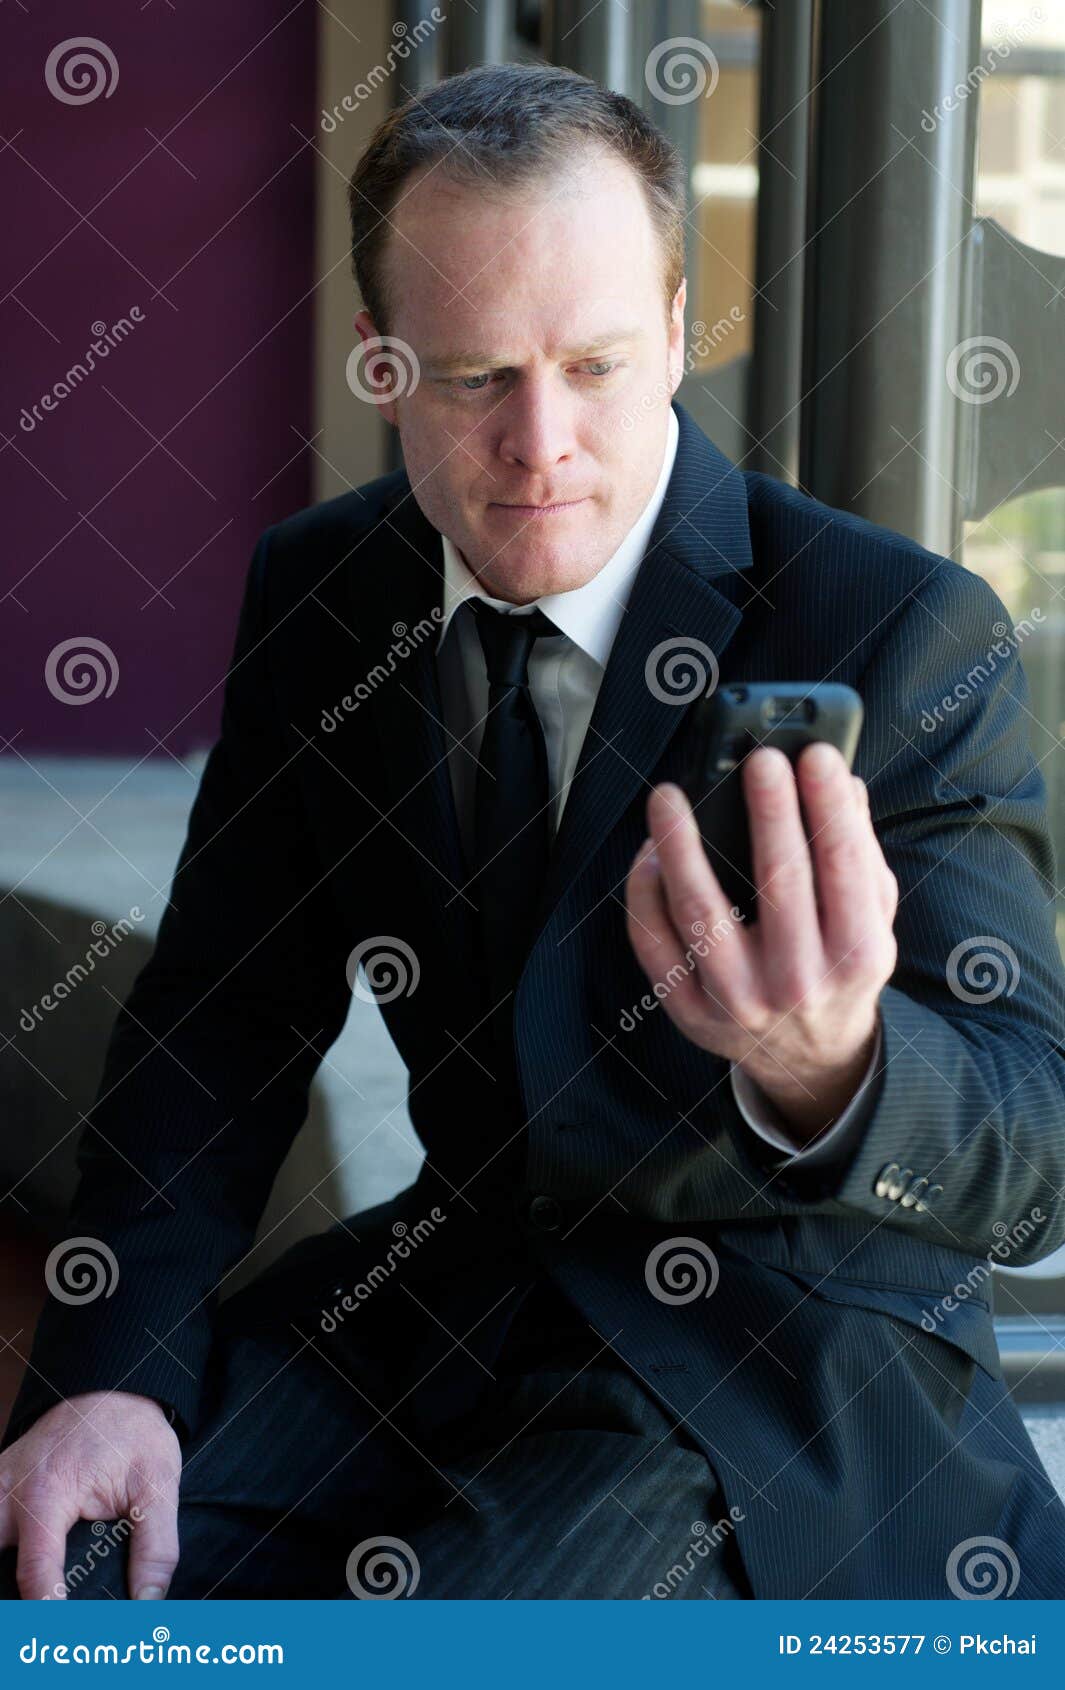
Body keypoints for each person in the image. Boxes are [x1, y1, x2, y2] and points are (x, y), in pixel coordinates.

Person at [3, 60, 1064, 1601]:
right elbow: (217, 1030)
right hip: (447, 1308)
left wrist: (834, 1064)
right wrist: (115, 1368)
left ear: (678, 328)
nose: (541, 443)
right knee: (66, 1581)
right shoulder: (327, 594)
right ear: (379, 363)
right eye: (474, 377)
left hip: (775, 1367)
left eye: (597, 365)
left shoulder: (898, 624)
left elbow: (1033, 1152)